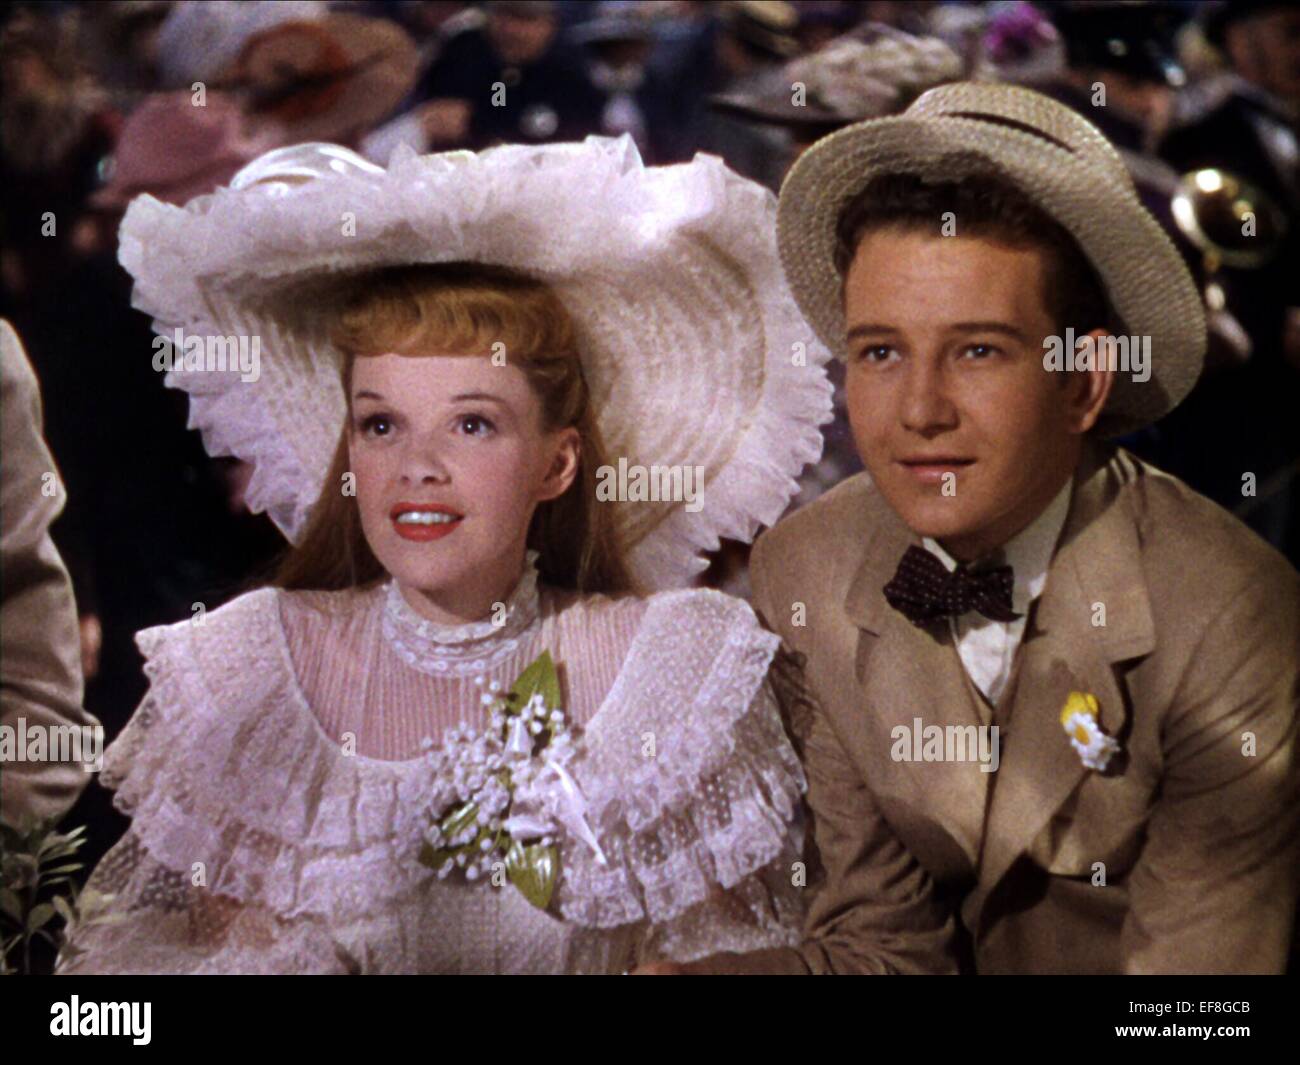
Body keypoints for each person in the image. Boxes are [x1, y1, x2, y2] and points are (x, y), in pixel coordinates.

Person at [55, 135, 834, 974]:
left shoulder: (670, 672)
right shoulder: (251, 670)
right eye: (381, 423)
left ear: (557, 462)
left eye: (472, 424)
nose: (417, 468)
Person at [667, 83, 1300, 974]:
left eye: (978, 351)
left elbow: (1199, 1011)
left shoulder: (1231, 612)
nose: (919, 412)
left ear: (1083, 383)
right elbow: (883, 948)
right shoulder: (804, 566)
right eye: (880, 352)